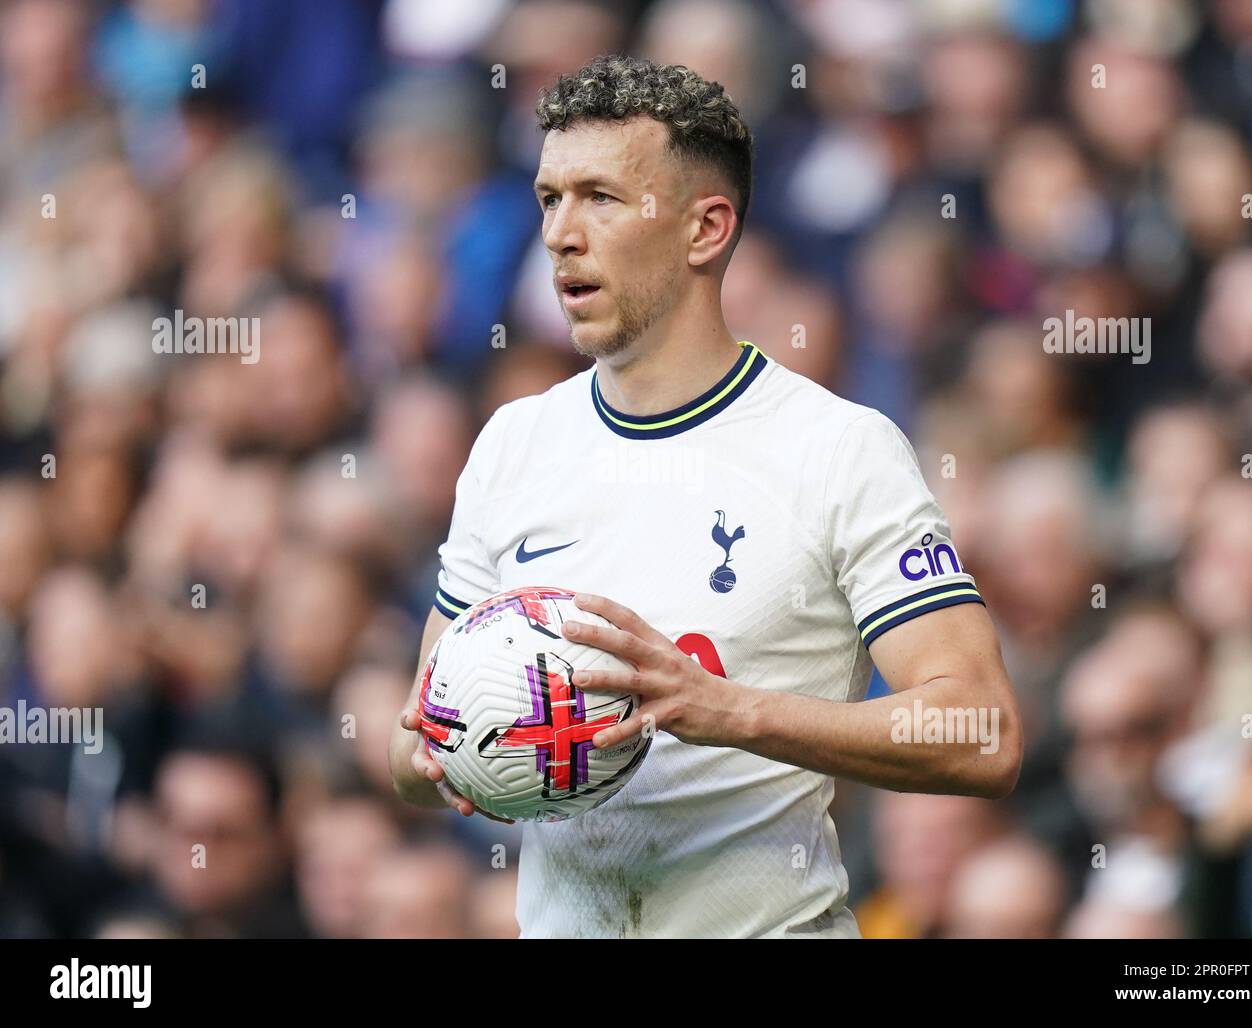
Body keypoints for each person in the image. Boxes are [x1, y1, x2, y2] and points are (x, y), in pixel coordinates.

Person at [389, 54, 1022, 939]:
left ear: (705, 230)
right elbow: (411, 741)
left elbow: (981, 731)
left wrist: (731, 712)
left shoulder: (839, 450)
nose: (561, 234)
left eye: (601, 198)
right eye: (548, 199)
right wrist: (464, 752)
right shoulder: (512, 444)